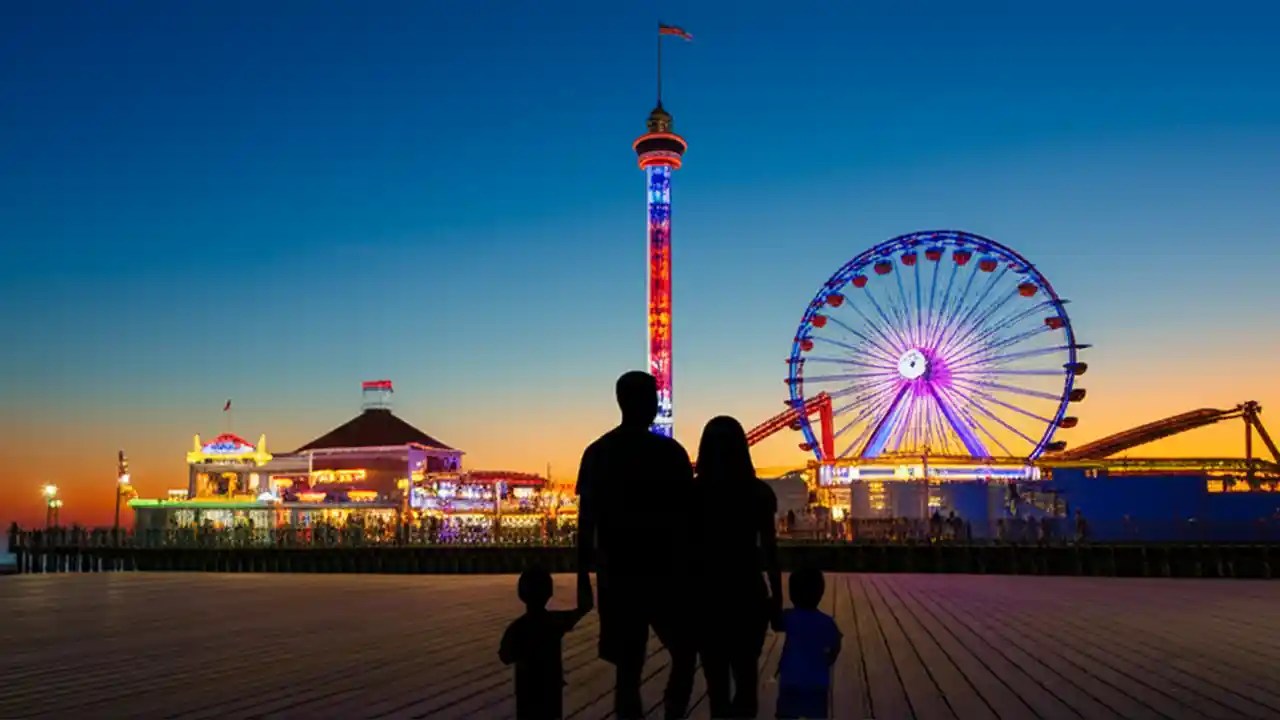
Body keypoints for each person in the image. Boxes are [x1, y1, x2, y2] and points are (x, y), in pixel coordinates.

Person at [576, 371, 697, 719]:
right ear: (648, 402)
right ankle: (674, 710)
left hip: (617, 574)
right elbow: (687, 519)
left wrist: (584, 579)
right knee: (685, 652)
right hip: (666, 571)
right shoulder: (671, 454)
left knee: (627, 670)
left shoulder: (598, 452)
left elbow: (587, 524)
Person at [693, 416, 783, 719]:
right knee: (747, 679)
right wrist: (778, 600)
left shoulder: (693, 494)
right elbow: (770, 551)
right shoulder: (759, 493)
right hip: (748, 593)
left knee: (716, 685)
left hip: (706, 594)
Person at [499, 568, 588, 720]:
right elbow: (585, 606)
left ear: (521, 594)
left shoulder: (517, 628)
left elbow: (505, 656)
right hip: (550, 692)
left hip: (527, 694)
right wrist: (583, 570)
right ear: (549, 593)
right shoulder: (554, 621)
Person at [775, 569, 842, 720]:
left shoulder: (789, 617)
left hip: (791, 680)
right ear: (820, 593)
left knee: (786, 714)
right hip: (816, 682)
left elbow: (776, 623)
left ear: (792, 594)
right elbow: (836, 642)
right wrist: (829, 658)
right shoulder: (827, 622)